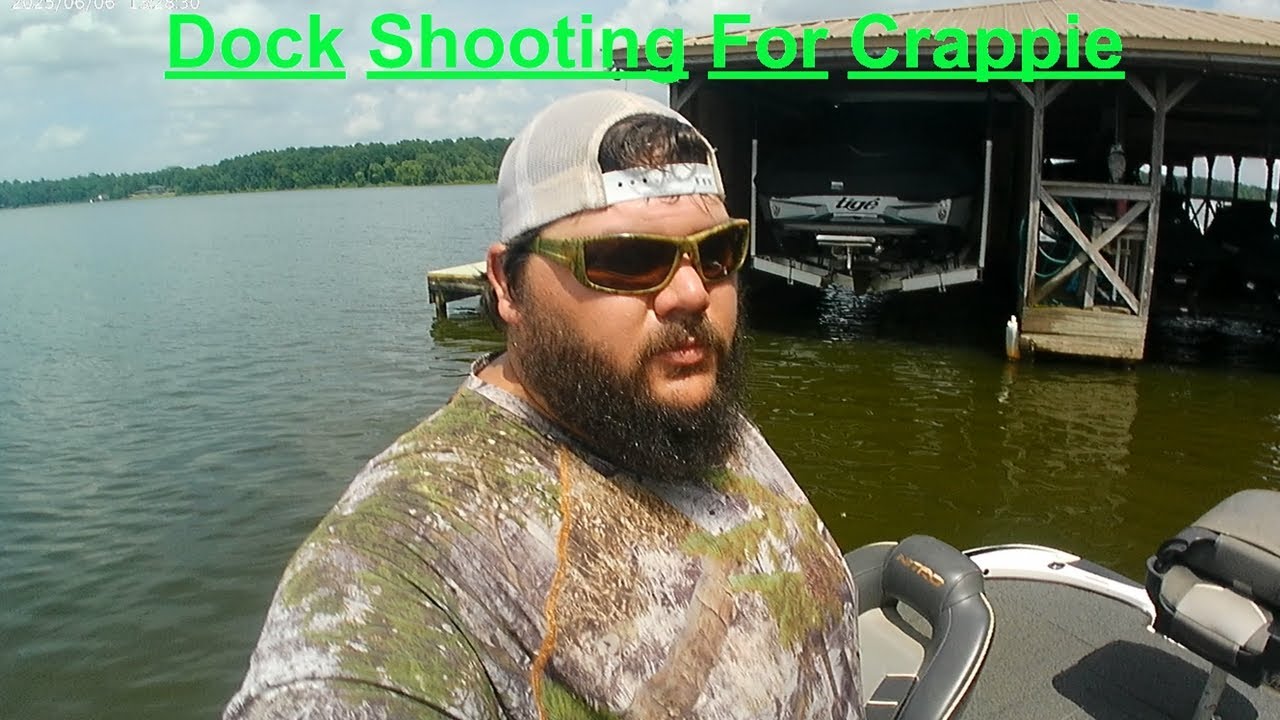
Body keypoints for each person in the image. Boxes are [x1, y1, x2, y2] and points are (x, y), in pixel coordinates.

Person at [224, 89, 863, 720]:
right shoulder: (413, 551)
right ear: (507, 285)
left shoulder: (670, 402)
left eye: (717, 252)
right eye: (630, 259)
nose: (692, 294)